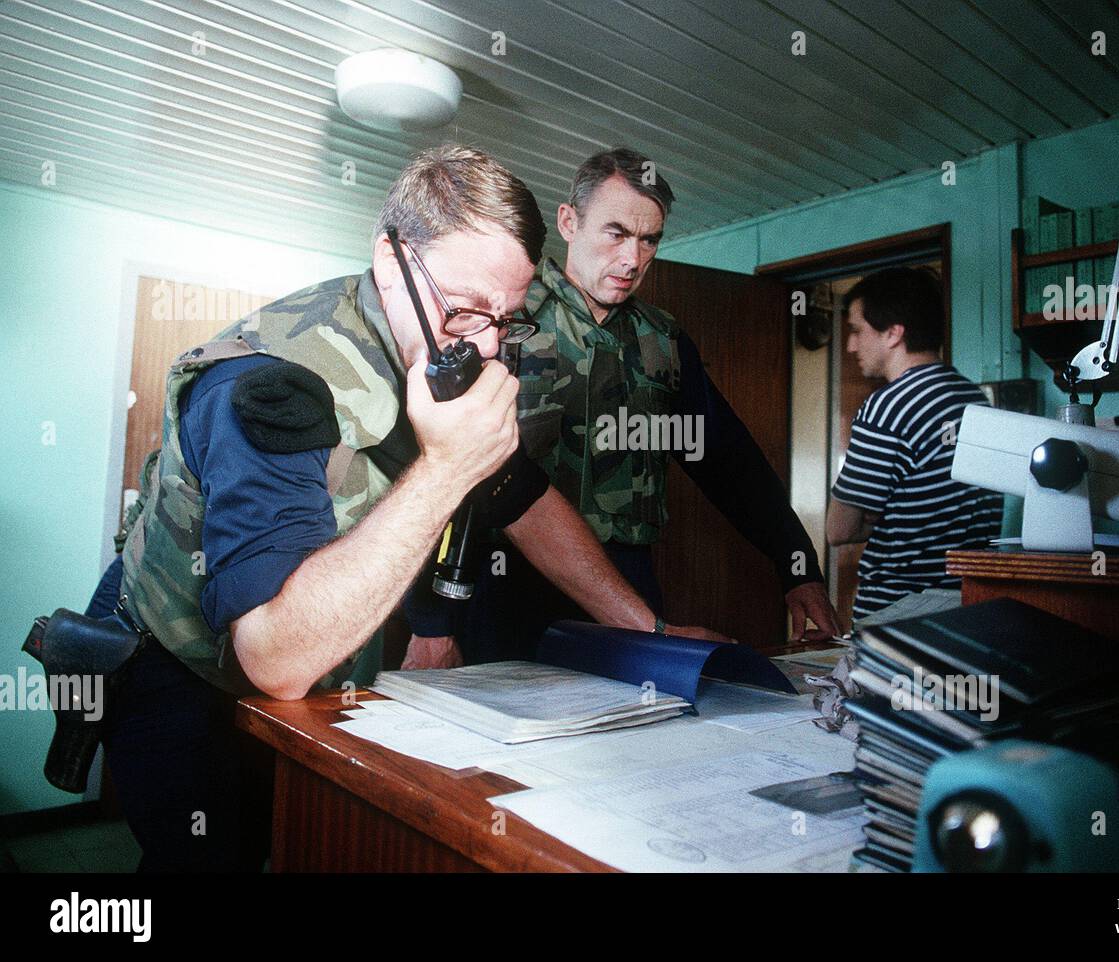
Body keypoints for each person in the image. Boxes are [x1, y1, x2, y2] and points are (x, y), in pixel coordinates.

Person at [88, 145, 722, 871]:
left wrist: (650, 631)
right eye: (466, 309)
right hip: (178, 668)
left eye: (507, 318)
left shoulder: (450, 347)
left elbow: (524, 501)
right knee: (210, 857)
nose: (486, 345)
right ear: (391, 261)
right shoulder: (269, 385)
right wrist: (447, 468)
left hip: (314, 677)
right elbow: (273, 658)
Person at [417, 147, 839, 667]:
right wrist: (431, 622)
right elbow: (440, 473)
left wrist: (797, 566)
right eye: (615, 233)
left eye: (648, 240)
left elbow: (731, 463)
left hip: (625, 592)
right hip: (504, 587)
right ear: (569, 222)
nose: (632, 259)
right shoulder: (501, 321)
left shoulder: (663, 343)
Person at [825, 267, 1003, 626]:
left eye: (857, 330)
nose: (851, 345)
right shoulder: (976, 400)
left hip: (898, 612)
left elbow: (838, 530)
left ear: (893, 332)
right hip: (969, 605)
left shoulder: (886, 407)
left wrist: (880, 515)